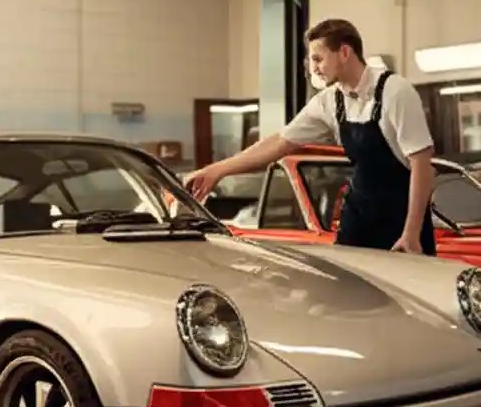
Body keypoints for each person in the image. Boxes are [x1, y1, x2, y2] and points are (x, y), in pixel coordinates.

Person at [185, 18, 437, 255]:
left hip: (403, 218)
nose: (314, 68)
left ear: (345, 53)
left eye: (318, 59)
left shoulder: (395, 91)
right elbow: (279, 142)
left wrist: (411, 233)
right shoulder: (329, 101)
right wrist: (217, 170)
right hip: (359, 216)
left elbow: (421, 165)